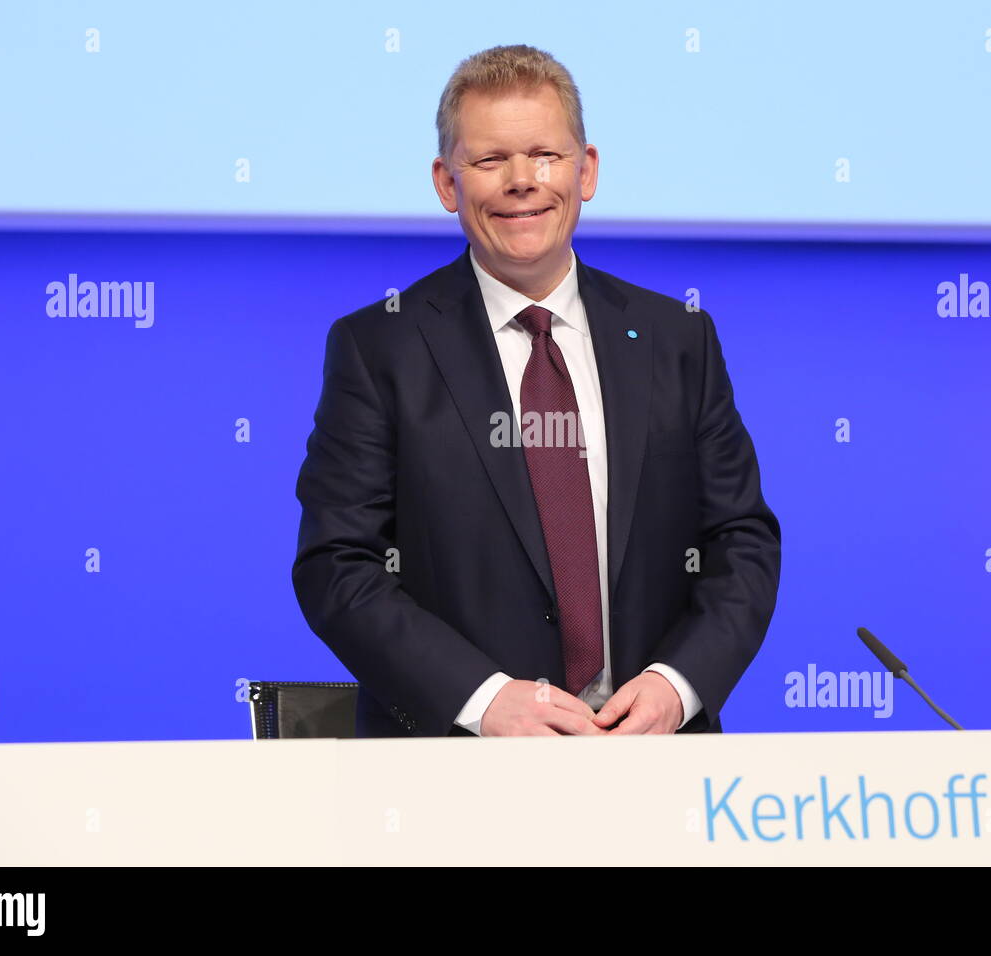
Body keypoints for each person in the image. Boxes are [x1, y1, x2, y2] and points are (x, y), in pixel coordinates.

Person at [292, 44, 780, 737]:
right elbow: (338, 567)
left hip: (652, 770)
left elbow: (741, 542)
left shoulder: (679, 338)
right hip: (452, 780)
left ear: (586, 172)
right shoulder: (378, 349)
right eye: (491, 160)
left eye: (545, 155)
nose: (522, 180)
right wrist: (483, 700)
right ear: (446, 182)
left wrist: (676, 688)